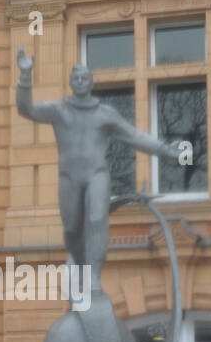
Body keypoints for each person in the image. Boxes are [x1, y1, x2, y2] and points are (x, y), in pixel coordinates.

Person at [16, 47, 185, 287]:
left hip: (97, 175)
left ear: (91, 82)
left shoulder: (105, 114)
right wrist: (24, 76)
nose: (80, 81)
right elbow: (27, 109)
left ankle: (93, 276)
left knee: (97, 219)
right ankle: (82, 264)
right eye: (76, 78)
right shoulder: (58, 110)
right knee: (73, 229)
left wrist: (165, 150)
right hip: (69, 177)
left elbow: (135, 136)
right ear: (71, 82)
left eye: (85, 77)